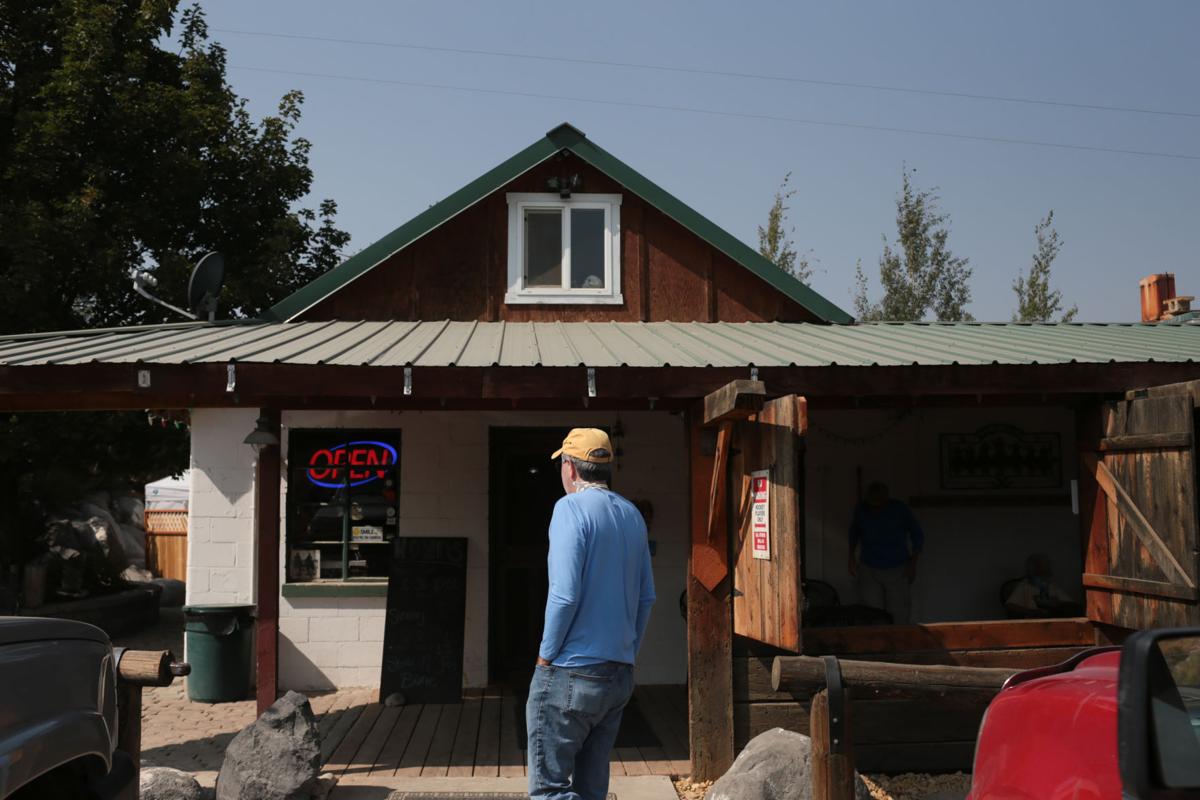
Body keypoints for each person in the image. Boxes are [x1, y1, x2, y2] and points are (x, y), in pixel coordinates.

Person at [528, 428, 656, 800]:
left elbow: (564, 595)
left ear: (569, 467)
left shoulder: (568, 509)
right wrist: (628, 651)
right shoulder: (632, 514)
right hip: (618, 673)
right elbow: (647, 597)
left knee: (549, 791)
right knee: (591, 789)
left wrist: (545, 655)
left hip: (570, 671)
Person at [848, 481, 923, 624]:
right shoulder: (861, 509)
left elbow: (917, 535)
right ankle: (874, 644)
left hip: (897, 566)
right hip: (868, 566)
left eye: (879, 505)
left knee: (899, 612)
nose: (875, 509)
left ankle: (898, 643)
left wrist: (913, 563)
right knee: (870, 612)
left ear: (886, 500)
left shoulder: (900, 510)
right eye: (872, 505)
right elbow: (854, 532)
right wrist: (850, 556)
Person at [1005, 553, 1079, 617]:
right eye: (1039, 574)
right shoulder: (1024, 586)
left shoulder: (1052, 587)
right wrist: (1031, 612)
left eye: (1044, 574)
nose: (1042, 578)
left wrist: (1058, 604)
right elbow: (1010, 606)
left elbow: (1072, 605)